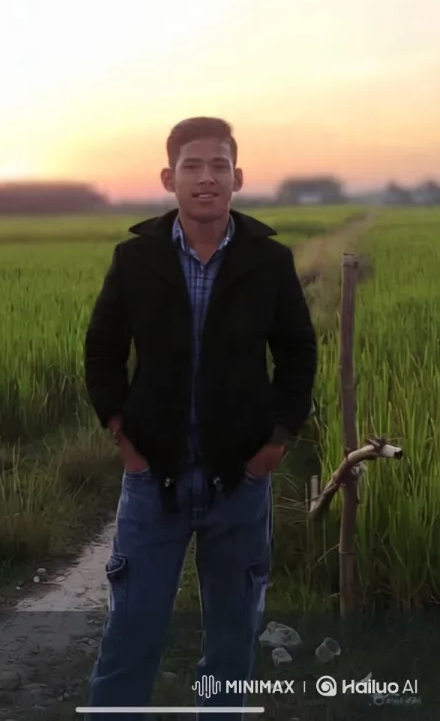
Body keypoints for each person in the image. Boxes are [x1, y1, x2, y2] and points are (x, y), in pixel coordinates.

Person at [84, 116, 317, 717]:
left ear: (237, 177)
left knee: (232, 643)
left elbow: (297, 354)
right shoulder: (136, 259)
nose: (206, 178)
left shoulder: (268, 261)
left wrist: (274, 447)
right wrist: (122, 434)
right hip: (152, 482)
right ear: (169, 177)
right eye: (192, 166)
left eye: (219, 166)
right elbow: (103, 348)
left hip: (239, 484)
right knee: (132, 634)